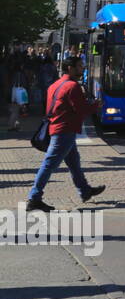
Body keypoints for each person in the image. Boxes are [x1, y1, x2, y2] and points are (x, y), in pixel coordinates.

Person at [25, 57, 106, 212]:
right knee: (49, 164)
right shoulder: (72, 87)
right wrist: (96, 105)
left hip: (58, 128)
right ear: (70, 68)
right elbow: (81, 110)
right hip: (65, 131)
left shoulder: (54, 85)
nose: (82, 69)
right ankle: (34, 198)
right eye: (80, 66)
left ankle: (84, 190)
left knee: (74, 162)